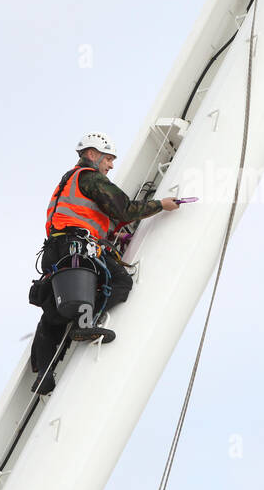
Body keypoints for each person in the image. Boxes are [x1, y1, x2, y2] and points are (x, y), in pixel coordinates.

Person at [30, 131, 180, 394]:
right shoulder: (90, 178)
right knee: (120, 282)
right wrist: (161, 205)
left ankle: (43, 373)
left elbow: (90, 215)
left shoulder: (69, 181)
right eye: (108, 159)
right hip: (77, 247)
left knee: (53, 312)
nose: (111, 165)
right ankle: (84, 325)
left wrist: (110, 231)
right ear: (92, 154)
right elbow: (123, 209)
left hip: (55, 252)